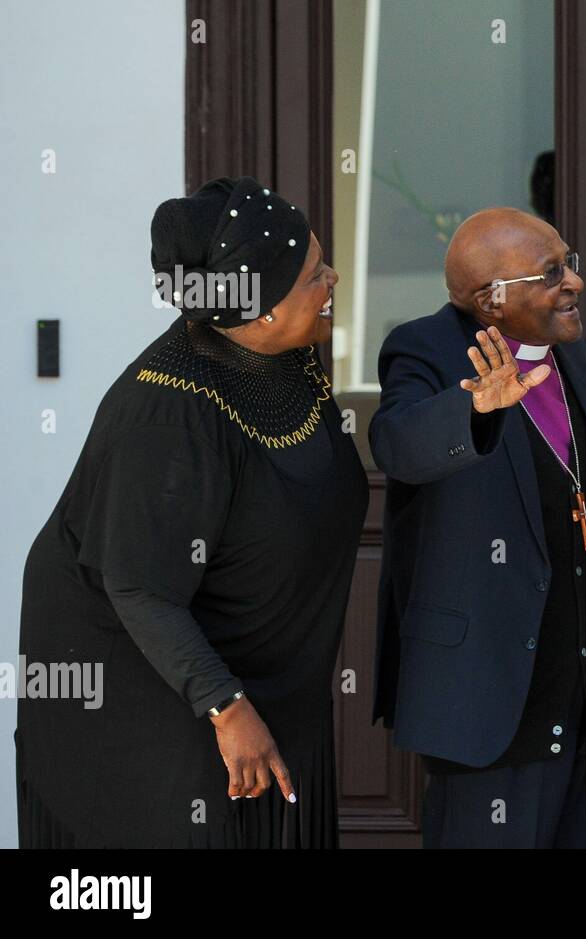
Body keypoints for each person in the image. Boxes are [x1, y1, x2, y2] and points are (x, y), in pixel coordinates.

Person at [15, 176, 367, 847]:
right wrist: (226, 705)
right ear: (260, 310)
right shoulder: (169, 414)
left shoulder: (290, 359)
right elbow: (140, 586)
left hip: (262, 669)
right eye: (316, 273)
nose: (334, 278)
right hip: (156, 687)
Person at [369, 207, 586, 848]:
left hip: (585, 693)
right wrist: (474, 406)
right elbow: (397, 445)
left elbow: (582, 504)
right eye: (552, 272)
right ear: (492, 299)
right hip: (489, 695)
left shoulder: (570, 354)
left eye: (571, 263)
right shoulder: (424, 348)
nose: (575, 283)